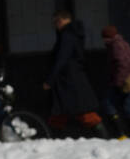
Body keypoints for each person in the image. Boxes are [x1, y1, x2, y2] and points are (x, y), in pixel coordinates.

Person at [43, 10, 106, 139]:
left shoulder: (67, 36)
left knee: (84, 114)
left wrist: (50, 80)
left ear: (60, 20)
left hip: (68, 80)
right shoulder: (74, 34)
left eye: (55, 22)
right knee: (62, 114)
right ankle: (53, 140)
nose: (55, 26)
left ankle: (104, 139)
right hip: (72, 78)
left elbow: (61, 59)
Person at [101, 25, 130, 139]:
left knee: (109, 104)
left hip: (122, 81)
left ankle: (120, 133)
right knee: (128, 107)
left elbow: (122, 64)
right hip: (129, 79)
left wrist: (118, 82)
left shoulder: (115, 46)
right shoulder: (123, 43)